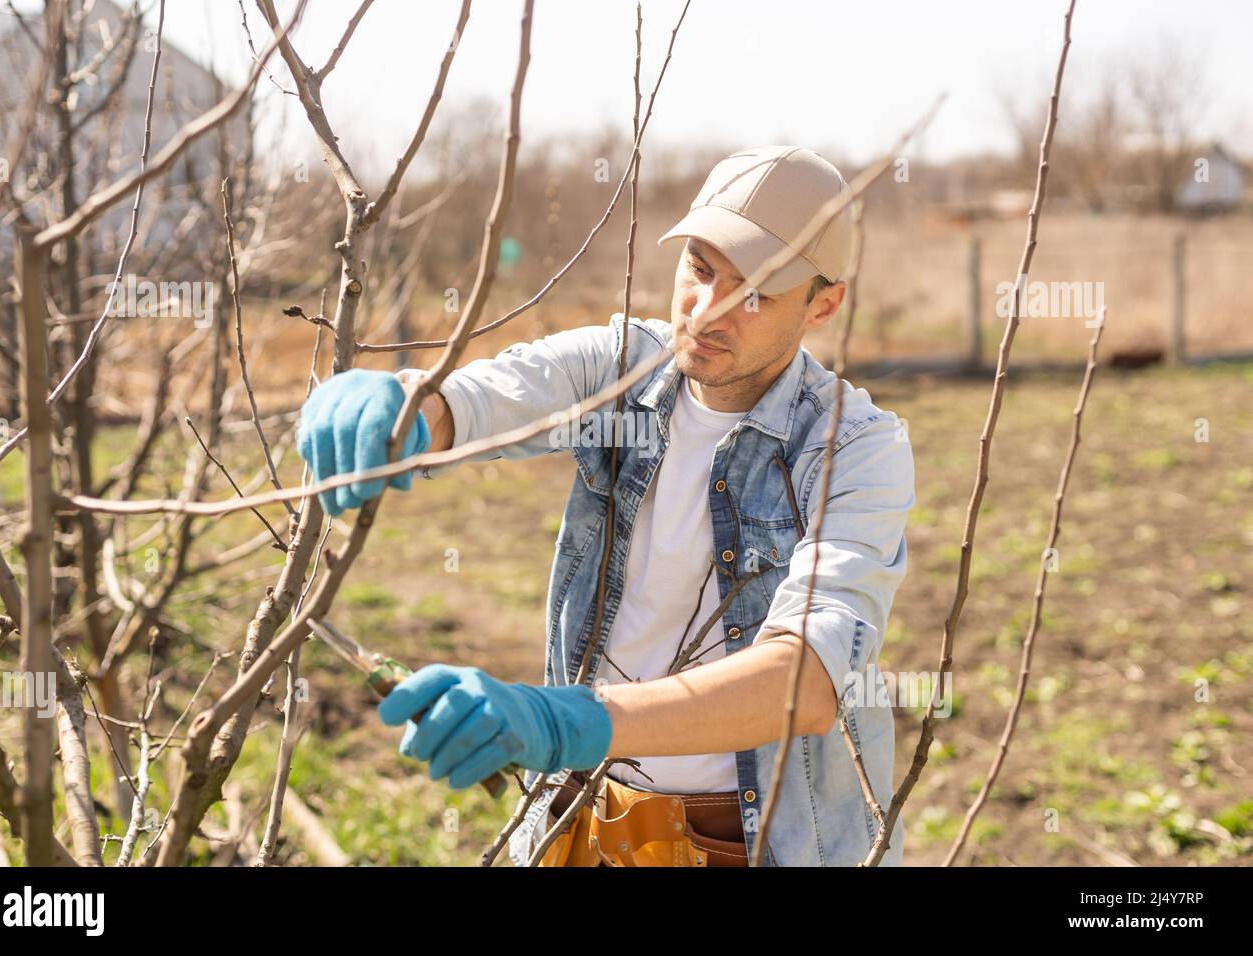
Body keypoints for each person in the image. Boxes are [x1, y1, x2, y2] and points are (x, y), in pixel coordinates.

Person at [296, 145, 915, 866]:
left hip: (746, 843)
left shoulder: (853, 447)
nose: (707, 310)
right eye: (701, 268)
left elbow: (805, 678)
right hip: (581, 820)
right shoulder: (624, 370)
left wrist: (564, 722)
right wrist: (400, 409)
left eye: (755, 292)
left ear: (823, 304)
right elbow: (489, 398)